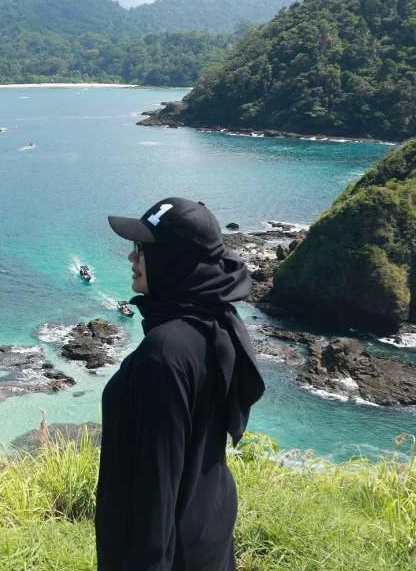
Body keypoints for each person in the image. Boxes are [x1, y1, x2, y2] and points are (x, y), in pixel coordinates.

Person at [96, 197, 265, 571]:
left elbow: (152, 496)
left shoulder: (164, 354)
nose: (131, 258)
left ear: (171, 262)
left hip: (172, 554)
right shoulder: (216, 324)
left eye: (141, 249)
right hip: (207, 530)